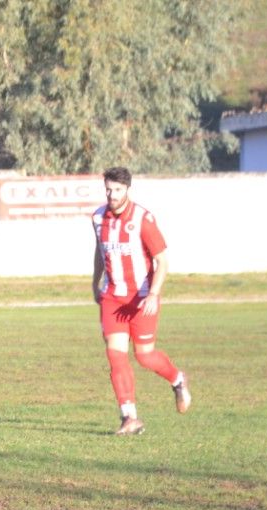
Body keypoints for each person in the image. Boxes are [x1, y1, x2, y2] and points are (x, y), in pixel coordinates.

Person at [91, 167, 191, 435]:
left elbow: (162, 261)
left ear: (128, 190)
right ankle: (129, 417)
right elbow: (100, 252)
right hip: (113, 297)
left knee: (145, 356)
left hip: (141, 298)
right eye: (109, 190)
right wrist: (95, 281)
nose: (112, 195)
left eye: (118, 190)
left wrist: (154, 293)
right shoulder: (98, 218)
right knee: (116, 355)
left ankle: (178, 379)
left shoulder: (143, 219)